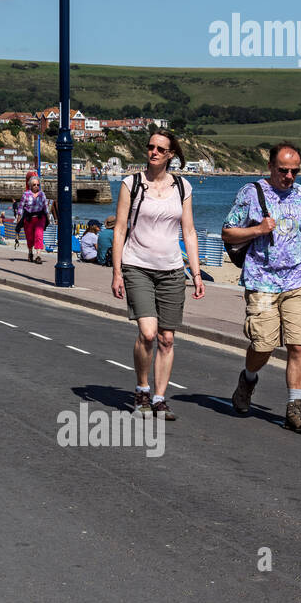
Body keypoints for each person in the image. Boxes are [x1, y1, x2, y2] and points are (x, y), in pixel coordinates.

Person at [222, 142, 301, 434]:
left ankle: (294, 408)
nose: (289, 176)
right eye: (283, 170)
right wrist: (257, 230)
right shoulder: (251, 193)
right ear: (270, 166)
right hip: (262, 282)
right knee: (263, 344)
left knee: (299, 344)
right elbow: (227, 231)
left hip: (296, 282)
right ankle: (248, 380)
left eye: (294, 171)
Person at [110, 130, 204, 421]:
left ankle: (160, 399)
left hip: (173, 270)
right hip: (137, 266)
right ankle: (142, 389)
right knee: (148, 334)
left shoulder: (182, 187)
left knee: (166, 338)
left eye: (160, 149)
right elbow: (120, 229)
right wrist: (117, 272)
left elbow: (188, 231)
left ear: (170, 154)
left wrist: (196, 273)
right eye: (150, 147)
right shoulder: (132, 183)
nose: (153, 152)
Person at [16, 172, 50, 264]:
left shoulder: (42, 194)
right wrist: (19, 218)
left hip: (40, 218)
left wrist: (48, 217)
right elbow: (21, 207)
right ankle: (30, 252)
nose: (36, 186)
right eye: (34, 184)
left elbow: (45, 206)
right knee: (30, 237)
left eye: (38, 185)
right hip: (29, 218)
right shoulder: (26, 194)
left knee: (39, 235)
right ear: (30, 185)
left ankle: (38, 255)